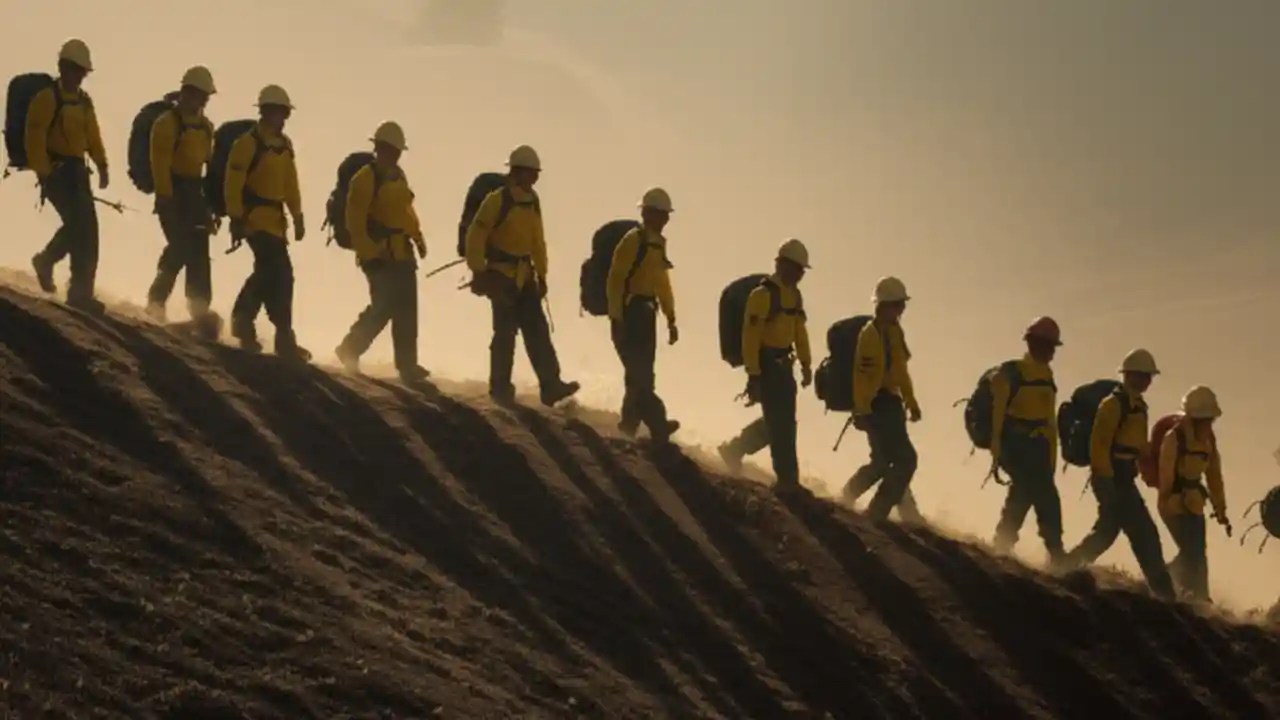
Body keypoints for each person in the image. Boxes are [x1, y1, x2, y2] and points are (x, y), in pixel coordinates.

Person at [463, 144, 579, 406]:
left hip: (525, 276)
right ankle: (500, 388)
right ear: (517, 172)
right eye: (530, 173)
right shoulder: (498, 200)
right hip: (501, 274)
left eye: (535, 173)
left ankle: (551, 386)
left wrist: (542, 274)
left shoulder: (532, 201)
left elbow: (538, 240)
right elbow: (476, 234)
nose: (535, 178)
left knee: (537, 330)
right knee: (505, 332)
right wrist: (479, 270)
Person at [1064, 349, 1174, 598]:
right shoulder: (1113, 404)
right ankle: (1165, 594)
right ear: (1130, 375)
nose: (1147, 381)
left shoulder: (1138, 406)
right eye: (1143, 375)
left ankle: (1064, 568)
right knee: (1131, 533)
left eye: (1149, 376)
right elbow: (1099, 444)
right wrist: (1105, 483)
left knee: (1121, 533)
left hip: (1123, 477)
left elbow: (1137, 444)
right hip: (1111, 476)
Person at [335, 121, 430, 385]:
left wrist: (417, 236)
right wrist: (370, 252)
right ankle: (350, 348)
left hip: (402, 252)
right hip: (378, 253)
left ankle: (408, 366)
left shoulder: (398, 176)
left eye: (396, 150)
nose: (393, 154)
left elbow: (406, 211)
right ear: (378, 148)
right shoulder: (365, 178)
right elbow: (354, 220)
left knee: (407, 309)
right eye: (388, 149)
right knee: (384, 305)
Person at [717, 239, 813, 493]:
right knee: (781, 424)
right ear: (781, 265)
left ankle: (734, 449)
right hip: (767, 364)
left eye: (802, 270)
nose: (800, 274)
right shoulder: (762, 295)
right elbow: (750, 336)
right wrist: (754, 374)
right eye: (796, 268)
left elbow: (799, 331)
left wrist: (806, 364)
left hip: (785, 365)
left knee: (781, 422)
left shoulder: (794, 296)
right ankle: (787, 480)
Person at [225, 84, 311, 362]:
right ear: (265, 111)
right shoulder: (247, 143)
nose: (283, 118)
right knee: (274, 270)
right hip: (254, 219)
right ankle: (247, 322)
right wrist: (236, 217)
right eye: (278, 112)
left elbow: (290, 183)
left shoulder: (284, 146)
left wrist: (297, 215)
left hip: (275, 222)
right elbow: (233, 182)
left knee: (280, 276)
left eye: (284, 113)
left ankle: (274, 334)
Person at [27, 38, 109, 314]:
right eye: (76, 70)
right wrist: (43, 172)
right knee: (79, 226)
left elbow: (93, 136)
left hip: (77, 172)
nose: (80, 77)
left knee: (88, 230)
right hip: (57, 171)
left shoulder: (84, 102)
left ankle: (77, 287)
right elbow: (34, 136)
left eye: (83, 72)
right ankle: (73, 286)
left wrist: (102, 165)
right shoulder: (47, 98)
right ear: (63, 67)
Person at [841, 276, 921, 522]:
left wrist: (911, 400)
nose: (902, 310)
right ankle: (876, 512)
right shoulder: (870, 335)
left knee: (883, 461)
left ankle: (848, 496)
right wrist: (862, 410)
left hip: (891, 403)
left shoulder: (895, 332)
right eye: (898, 304)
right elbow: (861, 376)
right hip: (877, 405)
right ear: (885, 305)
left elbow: (900, 370)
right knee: (905, 460)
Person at [145, 66, 218, 333]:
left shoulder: (206, 128)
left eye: (205, 96)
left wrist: (210, 207)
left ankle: (199, 308)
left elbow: (208, 168)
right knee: (179, 246)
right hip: (172, 192)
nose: (202, 100)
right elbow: (159, 163)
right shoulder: (166, 123)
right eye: (199, 94)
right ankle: (156, 301)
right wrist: (164, 197)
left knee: (199, 249)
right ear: (186, 93)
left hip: (194, 193)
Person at [990, 317, 1066, 567]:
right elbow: (997, 415)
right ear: (1034, 344)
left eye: (1052, 347)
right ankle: (1051, 555)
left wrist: (1052, 458)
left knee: (1033, 497)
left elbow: (1050, 421)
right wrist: (996, 453)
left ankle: (1006, 547)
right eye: (1048, 346)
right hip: (1016, 445)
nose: (1051, 352)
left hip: (1037, 447)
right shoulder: (1011, 373)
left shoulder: (1045, 375)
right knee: (1033, 496)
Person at [606, 187, 680, 442]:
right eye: (659, 214)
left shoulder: (657, 245)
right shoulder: (633, 240)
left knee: (639, 374)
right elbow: (615, 280)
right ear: (647, 214)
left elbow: (662, 284)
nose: (664, 220)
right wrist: (616, 317)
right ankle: (658, 423)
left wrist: (671, 318)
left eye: (665, 215)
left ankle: (628, 426)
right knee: (641, 375)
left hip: (647, 314)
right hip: (631, 312)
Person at [1158, 385, 1229, 603]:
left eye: (1210, 419)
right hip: (1174, 504)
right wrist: (1168, 504)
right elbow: (1166, 478)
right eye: (1204, 419)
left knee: (1197, 552)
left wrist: (1220, 508)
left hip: (1195, 503)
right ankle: (1169, 583)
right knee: (1192, 552)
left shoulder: (1209, 441)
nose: (1208, 424)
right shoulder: (1174, 439)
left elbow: (1214, 474)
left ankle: (1196, 594)